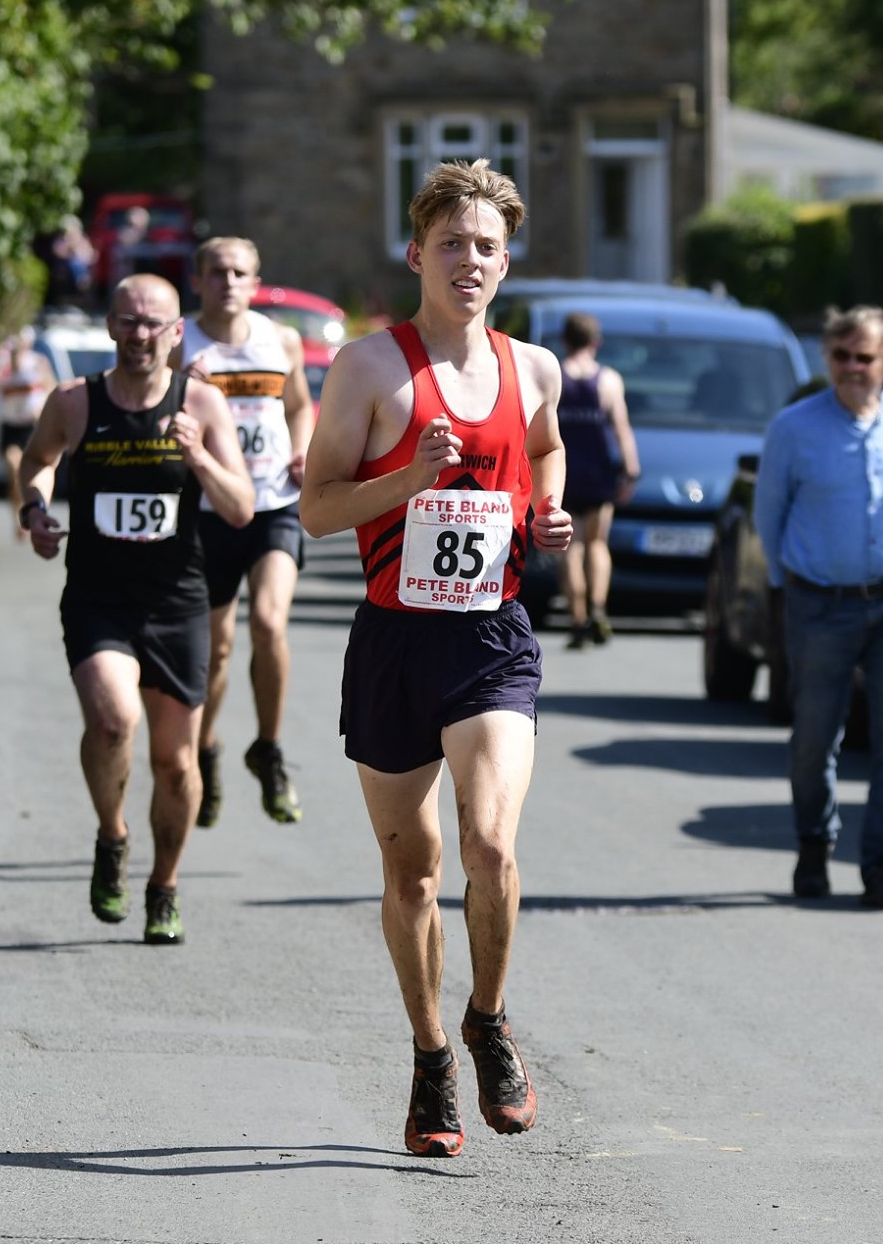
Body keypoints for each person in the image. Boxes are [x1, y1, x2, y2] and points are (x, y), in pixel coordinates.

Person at [300, 158, 574, 1158]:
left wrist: (546, 507)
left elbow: (543, 447)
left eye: (486, 248)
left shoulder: (531, 368)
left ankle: (488, 1020)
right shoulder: (371, 371)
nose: (468, 261)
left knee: (490, 844)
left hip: (488, 635)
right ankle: (428, 1059)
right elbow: (316, 508)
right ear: (415, 253)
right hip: (390, 639)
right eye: (451, 244)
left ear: (506, 264)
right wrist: (405, 480)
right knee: (411, 874)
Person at [17, 274, 256, 945]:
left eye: (154, 323)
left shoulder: (202, 404)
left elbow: (239, 507)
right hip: (98, 596)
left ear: (177, 332)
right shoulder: (74, 402)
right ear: (110, 328)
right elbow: (37, 460)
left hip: (178, 599)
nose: (140, 335)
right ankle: (113, 835)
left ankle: (165, 885)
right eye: (127, 321)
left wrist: (200, 456)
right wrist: (34, 508)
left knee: (177, 763)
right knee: (114, 719)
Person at [754, 305, 883, 909]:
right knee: (814, 738)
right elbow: (770, 514)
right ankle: (814, 843)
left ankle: (882, 868)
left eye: (867, 357)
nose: (854, 368)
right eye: (843, 356)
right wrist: (789, 585)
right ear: (828, 358)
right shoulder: (794, 427)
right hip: (819, 602)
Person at [180, 236, 316, 826]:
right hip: (207, 509)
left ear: (255, 279)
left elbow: (300, 407)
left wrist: (305, 451)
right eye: (217, 272)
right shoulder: (178, 343)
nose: (229, 282)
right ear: (198, 280)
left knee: (267, 621)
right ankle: (206, 751)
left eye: (240, 272)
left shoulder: (279, 340)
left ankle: (268, 748)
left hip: (272, 503)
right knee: (216, 650)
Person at [553, 312, 640, 649]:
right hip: (599, 472)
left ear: (565, 340)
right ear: (596, 342)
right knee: (597, 544)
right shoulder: (609, 380)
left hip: (565, 473)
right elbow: (622, 430)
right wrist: (631, 469)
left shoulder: (555, 376)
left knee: (571, 549)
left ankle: (577, 619)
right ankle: (599, 608)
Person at [0, 328, 56, 540]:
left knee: (24, 473)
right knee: (14, 468)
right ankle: (18, 518)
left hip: (30, 425)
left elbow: (51, 388)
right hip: (10, 426)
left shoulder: (37, 363)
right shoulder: (1, 367)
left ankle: (29, 513)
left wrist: (44, 410)